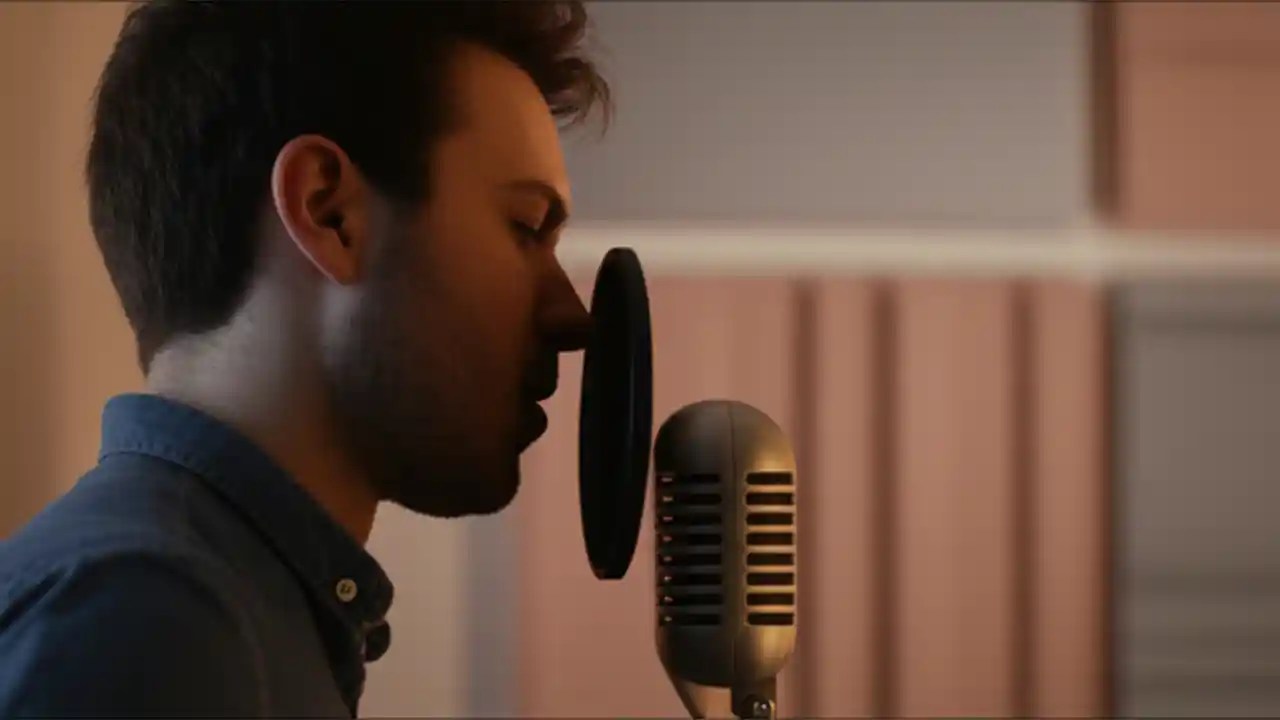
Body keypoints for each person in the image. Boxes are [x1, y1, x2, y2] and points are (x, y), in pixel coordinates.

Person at [0, 1, 610, 716]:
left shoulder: (217, 609)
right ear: (328, 212)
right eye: (526, 227)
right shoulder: (149, 620)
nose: (574, 315)